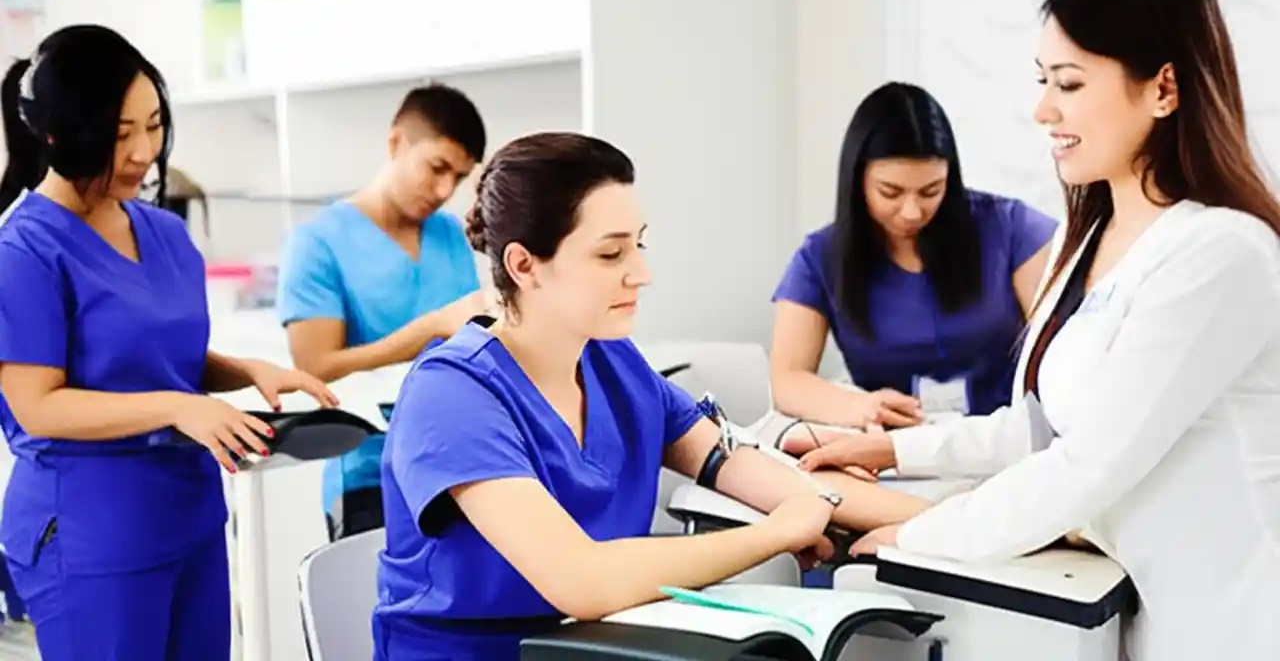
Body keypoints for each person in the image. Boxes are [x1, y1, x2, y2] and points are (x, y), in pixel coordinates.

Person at [797, 0, 1280, 661]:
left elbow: (1088, 464)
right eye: (1041, 82)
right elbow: (1042, 428)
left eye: (1070, 84)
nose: (1042, 109)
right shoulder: (1084, 242)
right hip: (1121, 602)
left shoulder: (1223, 253)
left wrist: (914, 537)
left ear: (1164, 89)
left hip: (1228, 620)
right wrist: (896, 447)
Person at [371, 131, 933, 660]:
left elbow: (745, 467)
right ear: (524, 265)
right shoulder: (453, 394)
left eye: (638, 246)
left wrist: (947, 524)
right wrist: (776, 534)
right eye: (611, 254)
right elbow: (581, 580)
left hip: (601, 647)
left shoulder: (614, 364)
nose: (642, 273)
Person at [0, 24, 337, 660]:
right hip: (91, 536)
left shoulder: (163, 231)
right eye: (119, 133)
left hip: (189, 518)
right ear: (55, 135)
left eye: (153, 126)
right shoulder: (24, 250)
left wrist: (247, 372)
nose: (143, 152)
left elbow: (146, 358)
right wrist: (181, 406)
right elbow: (38, 405)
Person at [770, 82, 1056, 447]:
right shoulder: (820, 257)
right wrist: (860, 407)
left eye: (931, 191)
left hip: (1003, 444)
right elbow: (788, 379)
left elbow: (1063, 347)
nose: (912, 211)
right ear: (857, 181)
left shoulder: (1012, 228)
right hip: (891, 449)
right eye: (890, 192)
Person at [277, 83, 488, 539]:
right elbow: (316, 367)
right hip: (369, 476)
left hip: (459, 468)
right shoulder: (317, 243)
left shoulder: (449, 234)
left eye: (459, 177)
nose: (445, 189)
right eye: (437, 168)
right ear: (396, 143)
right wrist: (431, 328)